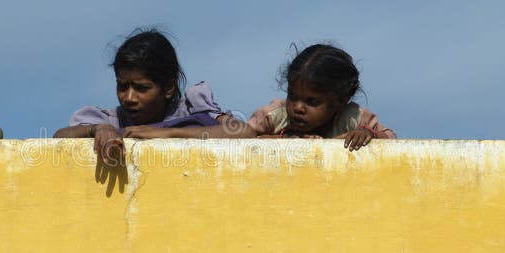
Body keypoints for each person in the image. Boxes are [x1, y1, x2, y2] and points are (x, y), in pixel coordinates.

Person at [54, 29, 253, 163]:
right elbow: (59, 137)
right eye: (122, 86)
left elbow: (245, 132)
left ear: (167, 88)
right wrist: (98, 130)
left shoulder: (193, 108)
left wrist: (169, 133)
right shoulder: (111, 121)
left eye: (141, 88)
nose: (129, 97)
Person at [247, 43, 395, 151]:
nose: (298, 107)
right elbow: (242, 137)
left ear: (340, 101)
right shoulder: (275, 115)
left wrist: (369, 134)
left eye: (311, 102)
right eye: (292, 96)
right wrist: (278, 140)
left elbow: (392, 140)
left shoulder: (353, 119)